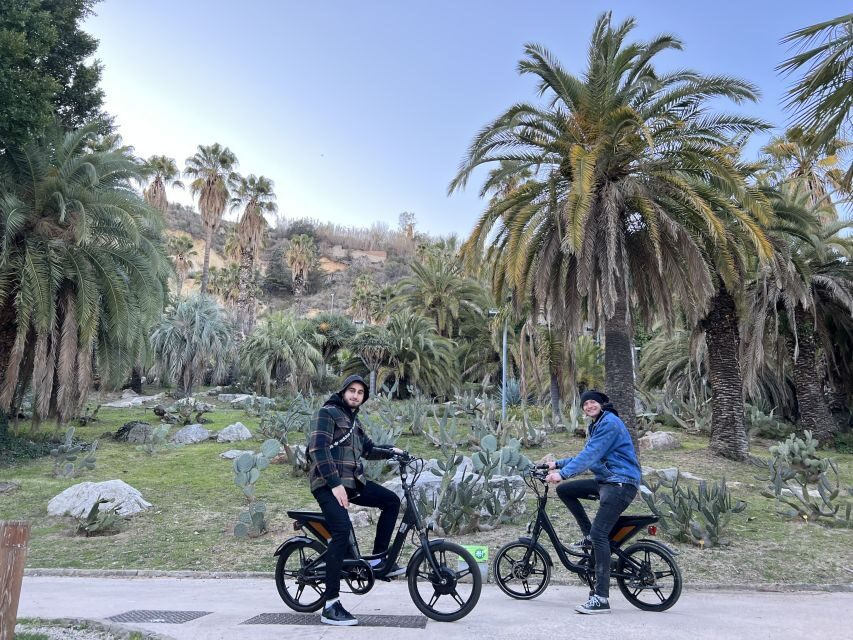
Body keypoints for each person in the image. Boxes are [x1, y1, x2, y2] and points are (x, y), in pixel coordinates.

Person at [307, 374, 405, 626]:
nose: (355, 395)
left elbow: (369, 450)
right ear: (343, 391)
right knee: (341, 532)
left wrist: (394, 452)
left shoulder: (354, 421)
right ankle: (330, 605)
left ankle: (378, 559)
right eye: (351, 390)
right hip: (328, 485)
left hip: (352, 484)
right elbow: (318, 449)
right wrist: (335, 484)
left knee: (391, 501)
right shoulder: (327, 413)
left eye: (360, 393)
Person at [545, 389, 641, 615]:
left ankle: (601, 598)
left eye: (592, 402)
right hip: (607, 481)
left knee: (601, 536)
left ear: (601, 404)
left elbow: (591, 455)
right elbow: (586, 454)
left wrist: (563, 474)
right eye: (585, 403)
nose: (588, 406)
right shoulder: (597, 425)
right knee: (566, 491)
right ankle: (588, 534)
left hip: (620, 483)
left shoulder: (609, 423)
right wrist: (555, 464)